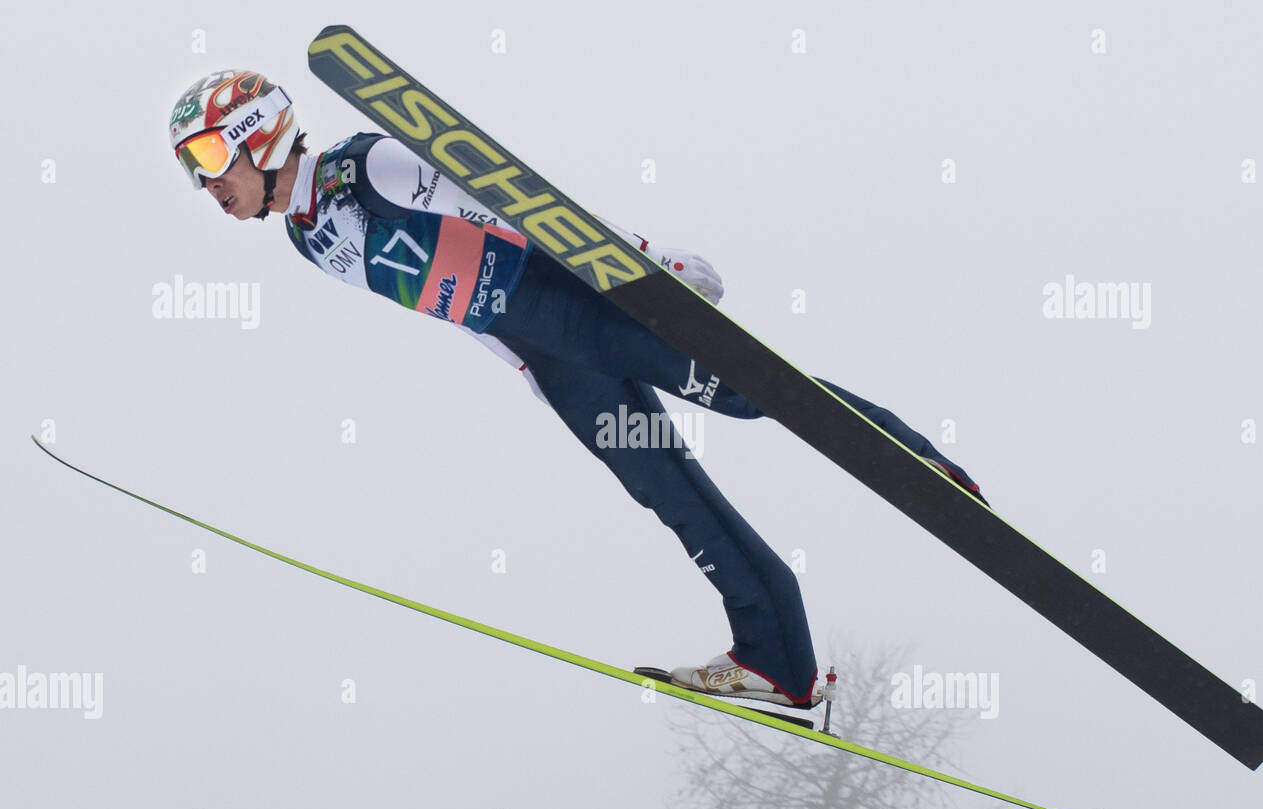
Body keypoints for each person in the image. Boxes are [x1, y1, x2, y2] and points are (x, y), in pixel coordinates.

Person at [169, 69, 986, 710]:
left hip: (588, 305)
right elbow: (441, 300)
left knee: (747, 393)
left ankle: (913, 460)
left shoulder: (368, 166)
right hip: (552, 357)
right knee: (671, 493)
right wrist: (524, 366)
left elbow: (512, 203)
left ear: (259, 132)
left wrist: (648, 269)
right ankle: (780, 662)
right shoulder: (307, 241)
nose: (208, 185)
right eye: (192, 172)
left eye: (208, 159)